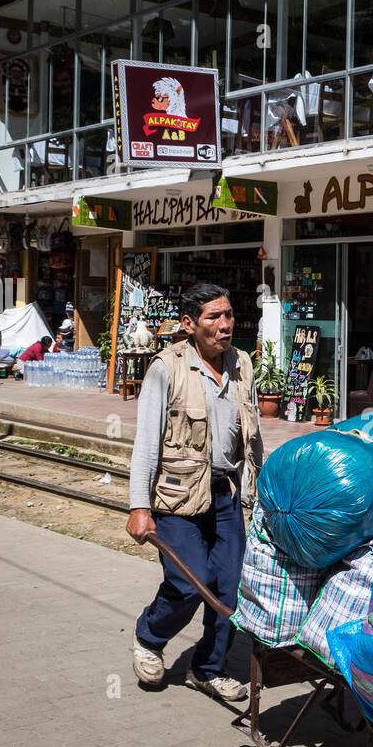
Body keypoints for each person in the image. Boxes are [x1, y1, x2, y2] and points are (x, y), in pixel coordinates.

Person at [126, 283, 263, 701]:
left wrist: (261, 489)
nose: (225, 325)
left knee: (231, 587)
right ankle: (149, 637)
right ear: (189, 324)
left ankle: (207, 668)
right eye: (213, 317)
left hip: (225, 495)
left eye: (228, 315)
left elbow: (253, 437)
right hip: (178, 498)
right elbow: (147, 442)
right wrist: (139, 507)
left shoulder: (242, 364)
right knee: (189, 582)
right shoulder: (166, 368)